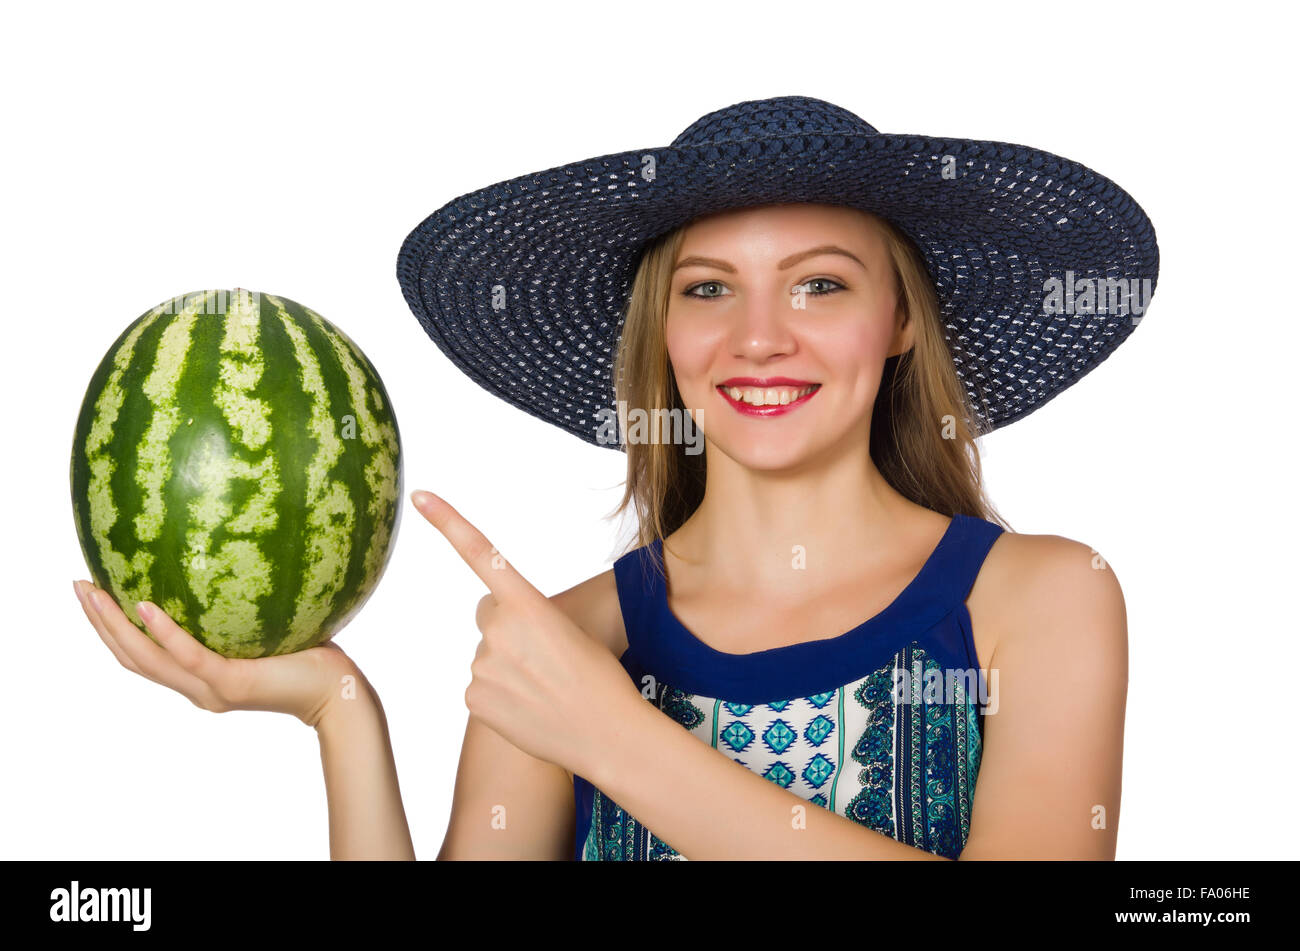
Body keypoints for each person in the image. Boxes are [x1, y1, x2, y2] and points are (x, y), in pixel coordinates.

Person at [74, 96, 1157, 860]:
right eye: (707, 289)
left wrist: (613, 739)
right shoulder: (559, 644)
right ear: (663, 331)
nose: (760, 338)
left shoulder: (1041, 599)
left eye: (819, 285)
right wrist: (337, 708)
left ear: (900, 322)